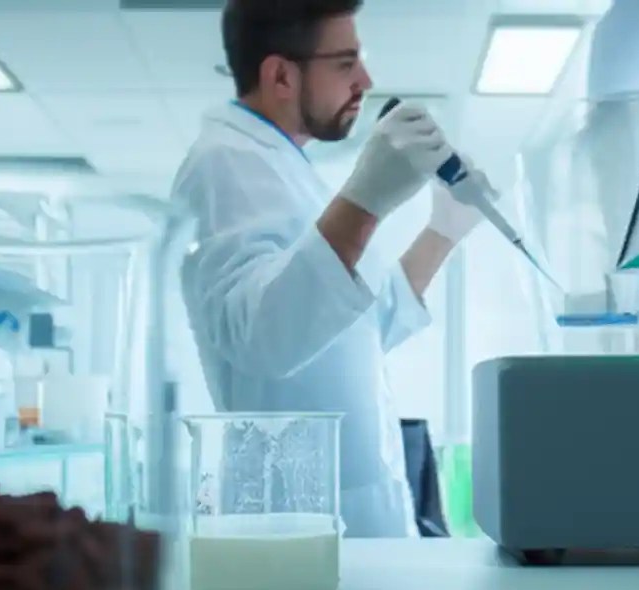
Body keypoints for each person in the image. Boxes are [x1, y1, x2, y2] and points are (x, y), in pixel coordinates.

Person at [170, 0, 490, 537]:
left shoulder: (283, 168)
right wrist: (364, 200)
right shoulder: (225, 163)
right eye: (344, 64)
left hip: (356, 517)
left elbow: (362, 327)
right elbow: (265, 338)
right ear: (280, 76)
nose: (365, 80)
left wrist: (446, 229)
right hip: (296, 527)